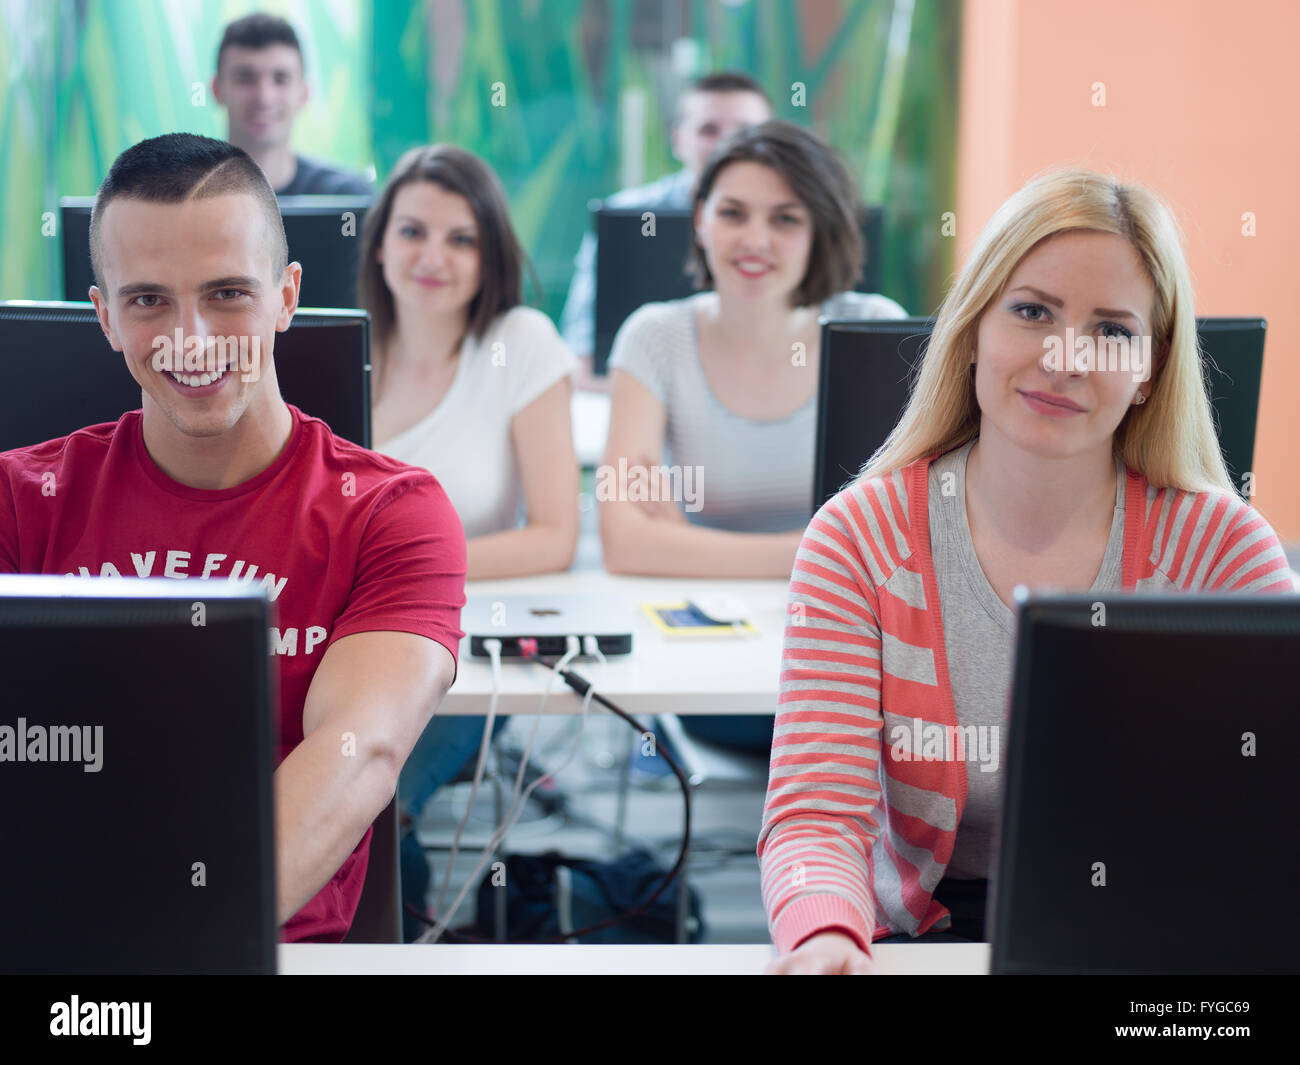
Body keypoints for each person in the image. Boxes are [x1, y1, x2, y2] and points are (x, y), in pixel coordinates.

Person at [758, 166, 1294, 975]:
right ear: (975, 327)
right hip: (924, 938)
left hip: (1156, 946)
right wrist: (828, 938)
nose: (1064, 357)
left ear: (1150, 367)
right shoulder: (859, 538)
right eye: (1033, 311)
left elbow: (1272, 816)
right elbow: (814, 817)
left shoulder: (1224, 551)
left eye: (1111, 329)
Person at [0, 133, 466, 943]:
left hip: (260, 949)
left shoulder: (391, 513)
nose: (192, 336)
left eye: (226, 293)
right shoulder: (19, 499)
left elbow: (360, 751)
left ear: (286, 296)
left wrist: (157, 944)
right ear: (104, 316)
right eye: (148, 301)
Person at [600, 119, 906, 760]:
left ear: (821, 230)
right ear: (701, 221)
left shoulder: (875, 328)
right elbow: (625, 541)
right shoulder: (654, 337)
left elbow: (904, 539)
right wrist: (822, 553)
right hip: (712, 664)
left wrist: (684, 544)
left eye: (786, 219)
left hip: (859, 657)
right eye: (733, 212)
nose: (754, 239)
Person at [357, 144, 580, 934]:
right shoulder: (336, 345)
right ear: (379, 241)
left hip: (450, 649)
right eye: (413, 231)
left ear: (489, 256)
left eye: (462, 239)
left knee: (366, 799)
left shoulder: (520, 342)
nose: (433, 257)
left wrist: (402, 576)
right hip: (334, 635)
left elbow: (554, 536)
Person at [560, 71, 772, 384]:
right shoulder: (625, 216)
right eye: (708, 129)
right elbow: (580, 354)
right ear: (678, 139)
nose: (729, 144)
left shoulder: (803, 225)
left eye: (745, 131)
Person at [212, 13, 372, 197]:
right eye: (245, 78)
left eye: (281, 79)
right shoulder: (181, 195)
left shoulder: (346, 197)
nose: (264, 97)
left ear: (304, 93)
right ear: (217, 90)